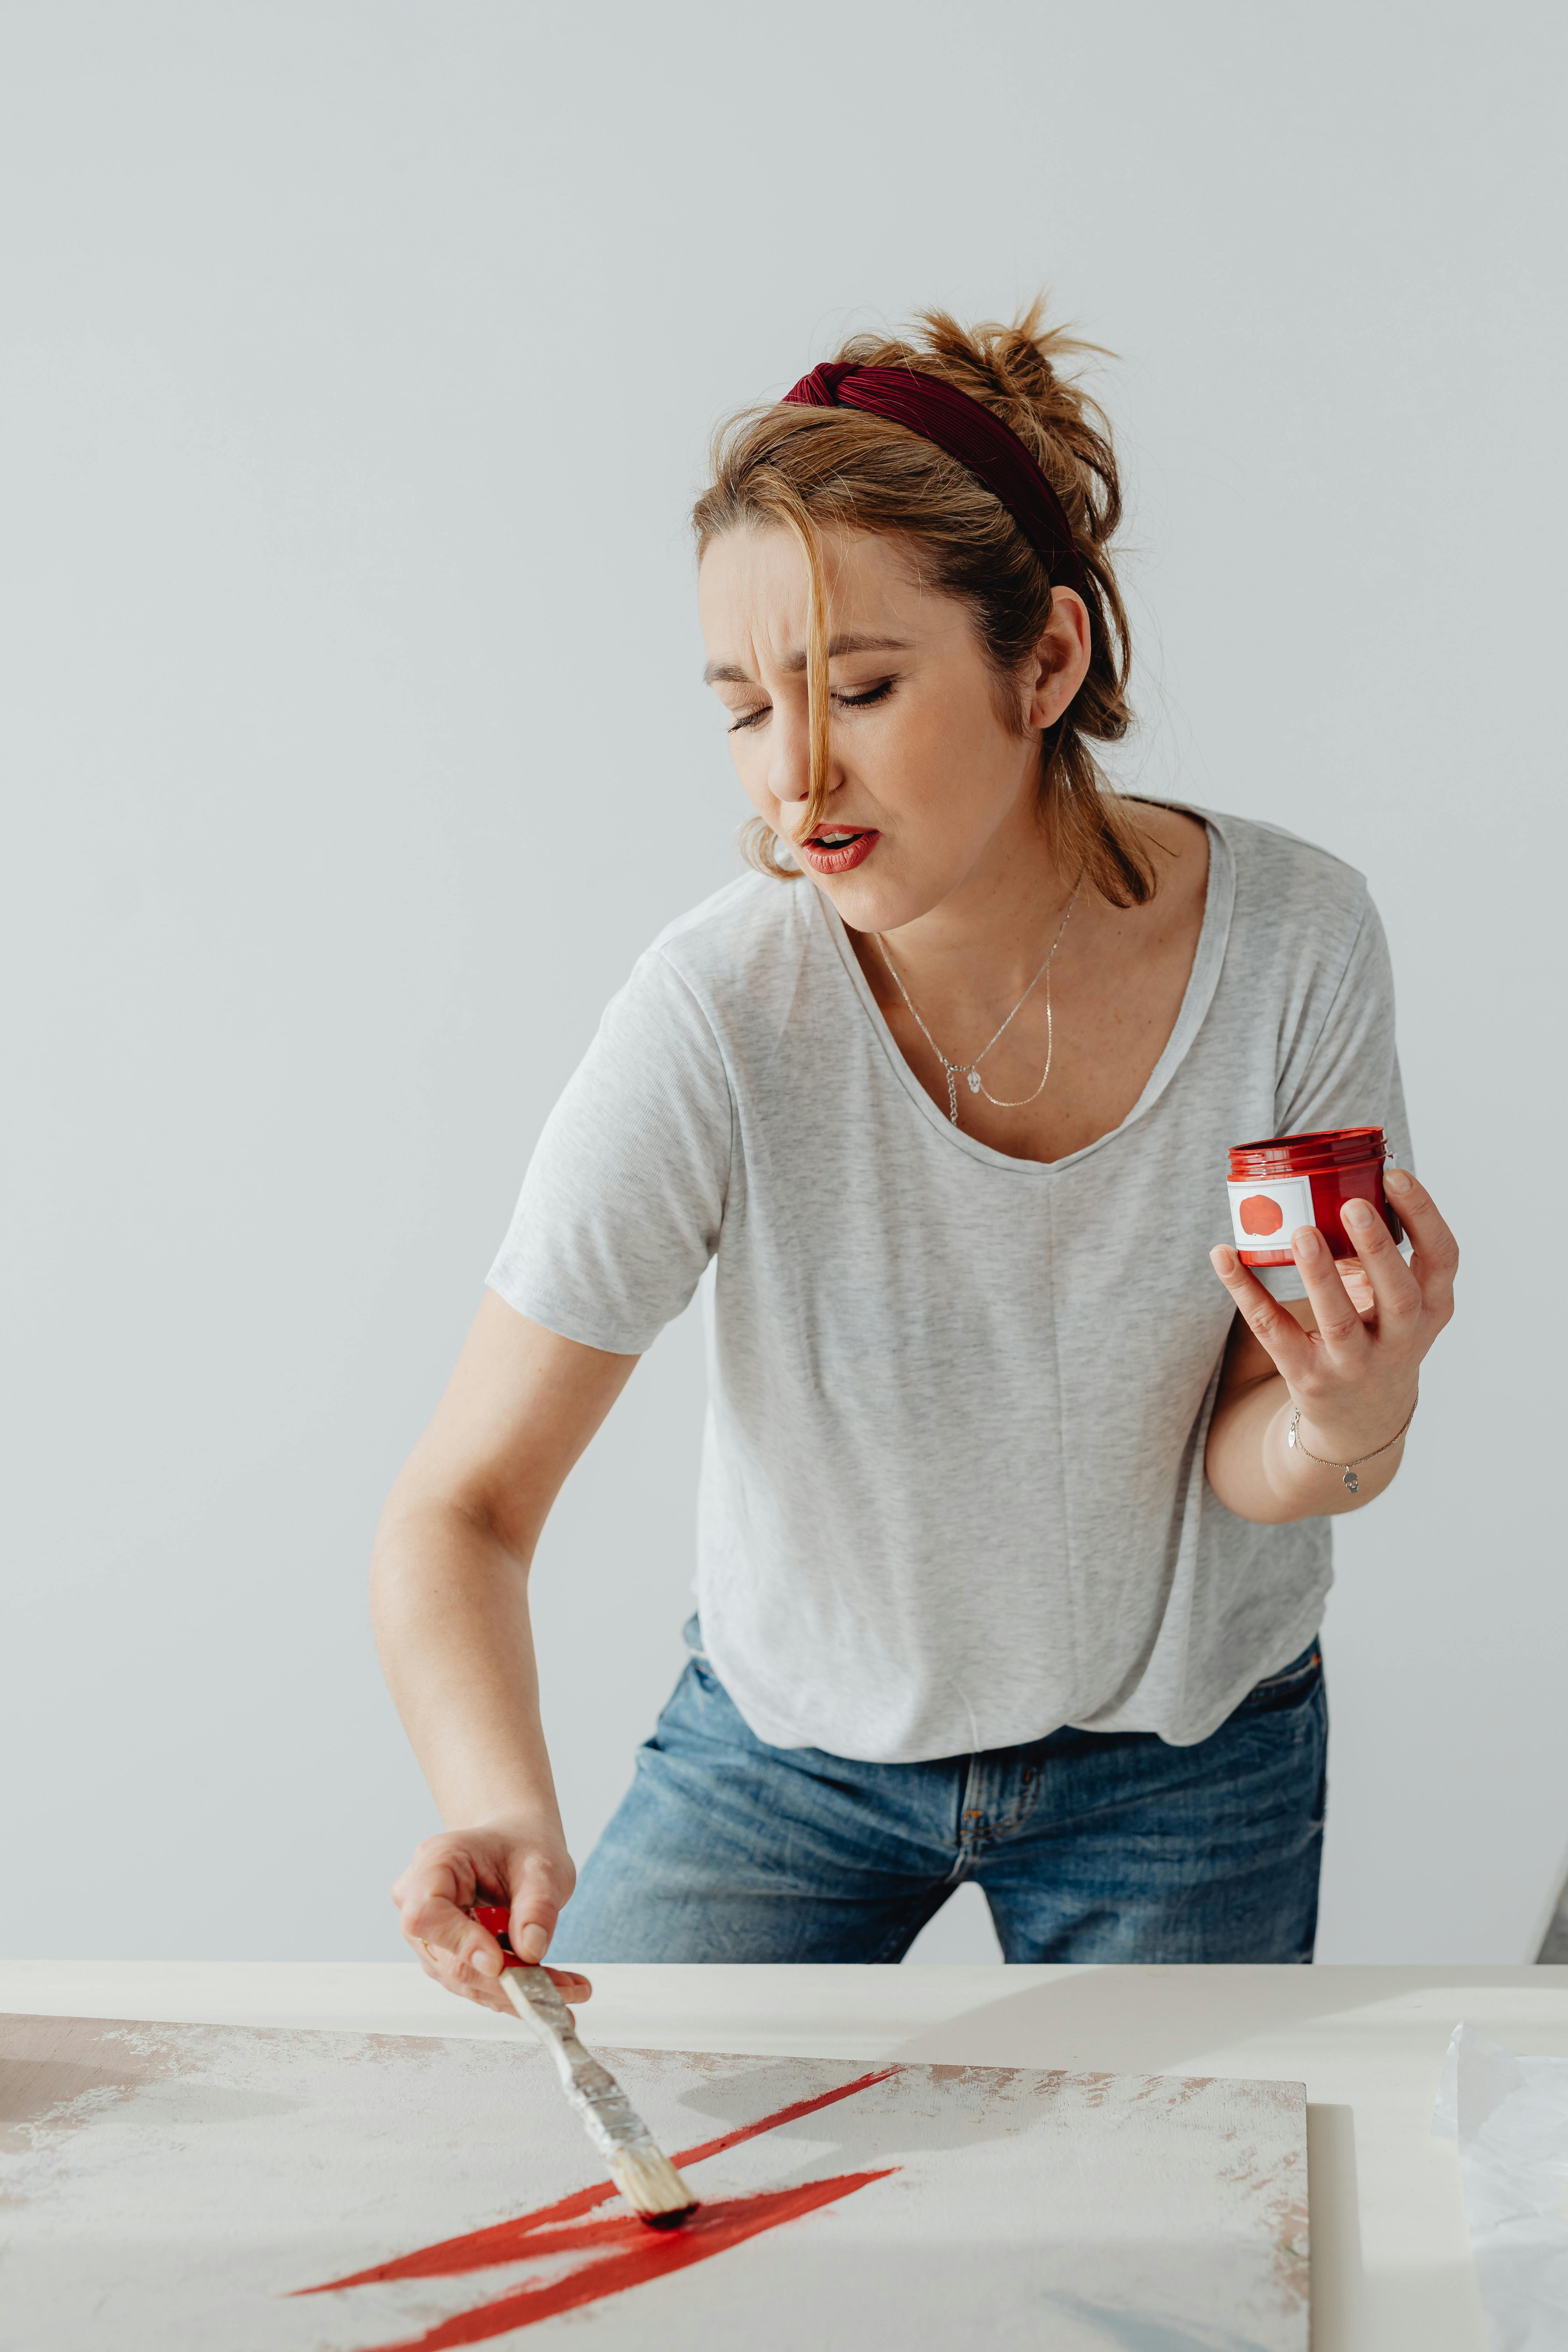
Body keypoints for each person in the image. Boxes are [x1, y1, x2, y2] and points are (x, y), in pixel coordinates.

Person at [377, 305, 1457, 2012]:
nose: (795, 776)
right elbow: (461, 1509)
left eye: (860, 690)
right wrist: (498, 1807)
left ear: (1046, 663)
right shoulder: (718, 1011)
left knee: (1153, 2258)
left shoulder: (1294, 943)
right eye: (745, 710)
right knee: (615, 2193)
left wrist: (1350, 1408)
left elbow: (1261, 1458)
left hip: (1182, 1760)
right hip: (788, 1754)